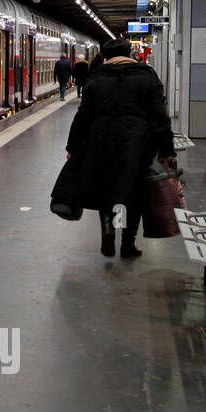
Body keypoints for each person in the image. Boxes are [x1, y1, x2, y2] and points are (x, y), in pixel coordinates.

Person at [65, 38, 175, 258]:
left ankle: (108, 234)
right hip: (138, 145)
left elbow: (83, 116)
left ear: (105, 56)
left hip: (101, 143)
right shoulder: (147, 77)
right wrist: (166, 149)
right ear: (130, 53)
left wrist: (73, 146)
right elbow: (159, 117)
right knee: (133, 193)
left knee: (107, 190)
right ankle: (128, 244)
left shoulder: (95, 80)